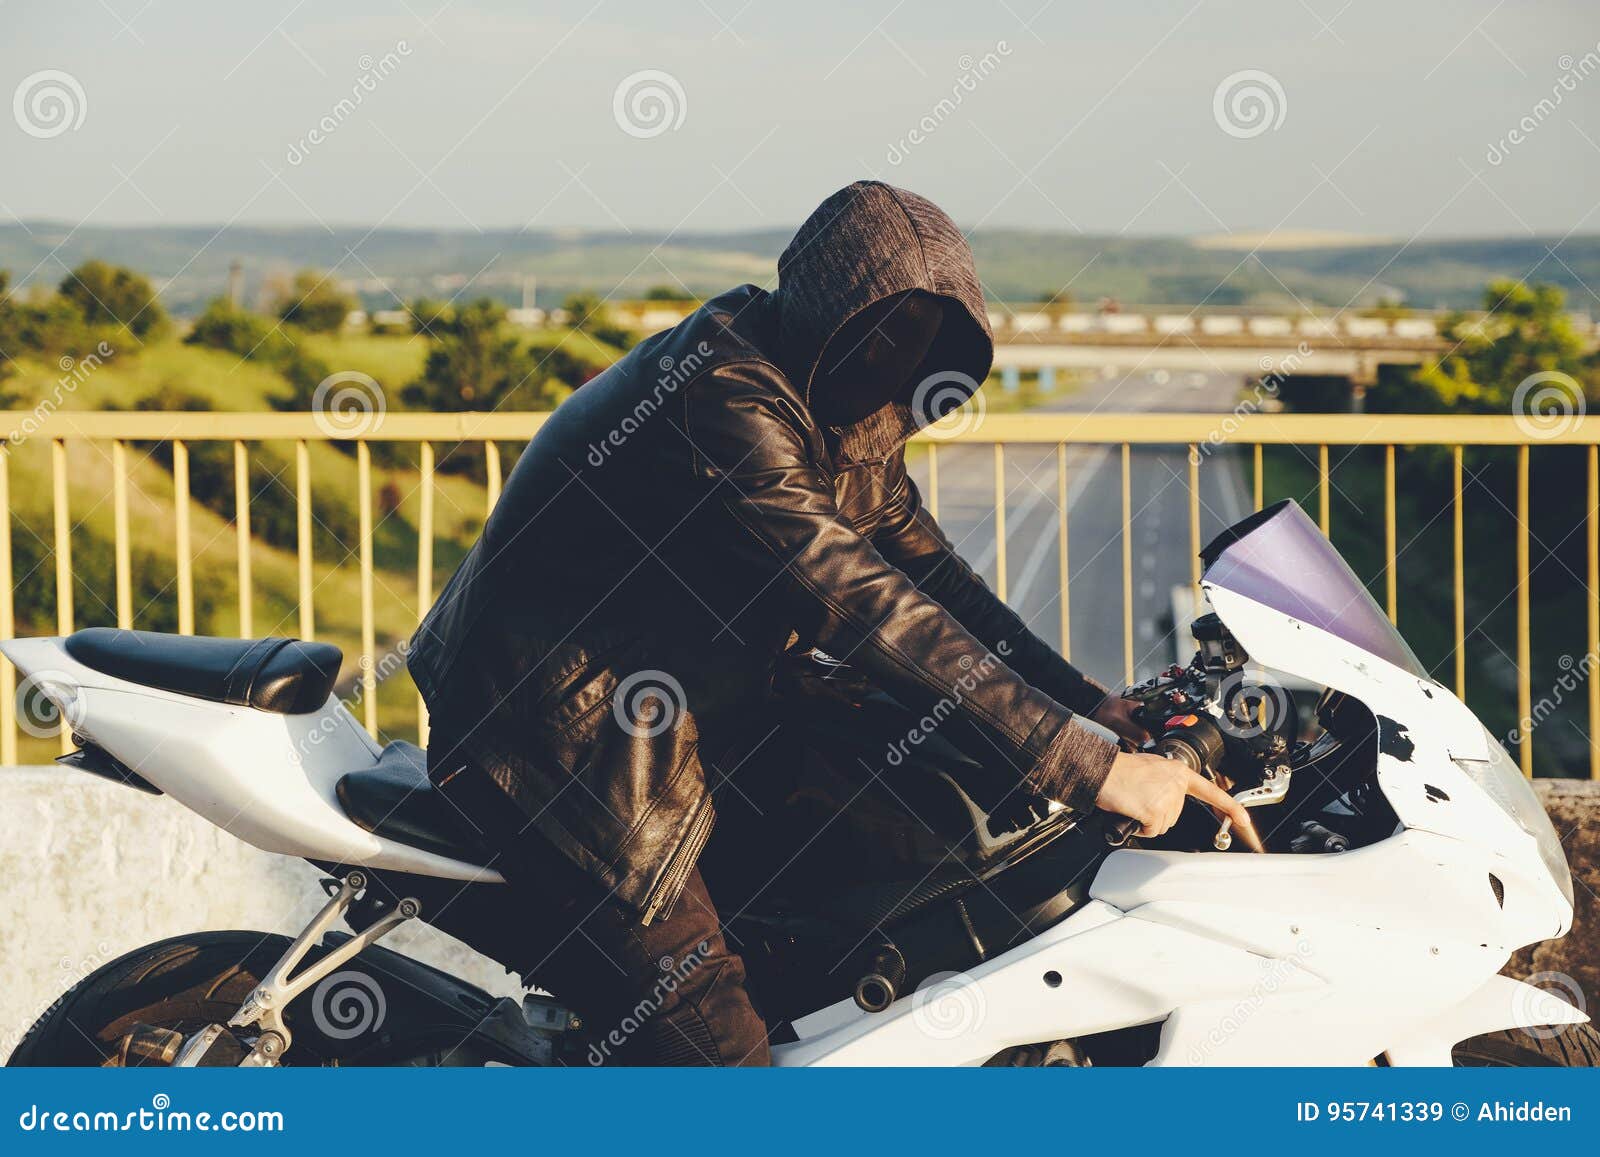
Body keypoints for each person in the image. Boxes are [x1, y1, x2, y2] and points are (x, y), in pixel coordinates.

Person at [408, 180, 1254, 1066]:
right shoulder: (723, 397)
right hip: (566, 749)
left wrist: (1092, 704)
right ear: (829, 314)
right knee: (717, 1043)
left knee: (928, 864)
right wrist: (1089, 767)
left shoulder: (844, 411)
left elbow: (928, 573)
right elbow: (854, 598)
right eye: (882, 334)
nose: (898, 362)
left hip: (700, 710)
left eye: (925, 341)